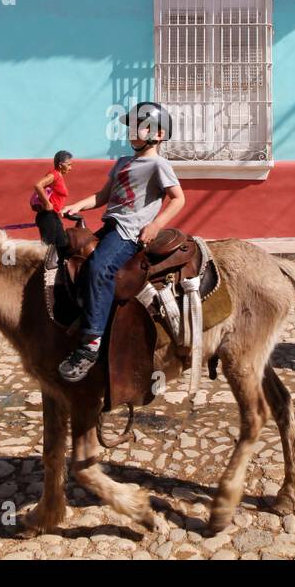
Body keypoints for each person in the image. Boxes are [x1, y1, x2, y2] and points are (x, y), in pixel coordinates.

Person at [56, 101, 185, 383]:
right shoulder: (123, 163)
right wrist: (75, 206)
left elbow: (178, 198)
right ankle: (78, 317)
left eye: (139, 127)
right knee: (67, 255)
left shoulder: (158, 164)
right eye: (131, 127)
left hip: (128, 232)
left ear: (158, 134)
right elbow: (103, 196)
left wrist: (155, 225)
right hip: (110, 225)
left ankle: (91, 345)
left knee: (99, 269)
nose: (132, 132)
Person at [31, 150, 73, 255]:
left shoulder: (59, 176)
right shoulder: (54, 175)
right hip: (47, 216)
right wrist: (47, 203)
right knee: (49, 250)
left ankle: (59, 270)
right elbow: (38, 185)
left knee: (61, 246)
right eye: (69, 165)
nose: (70, 168)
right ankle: (46, 271)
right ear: (60, 165)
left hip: (53, 216)